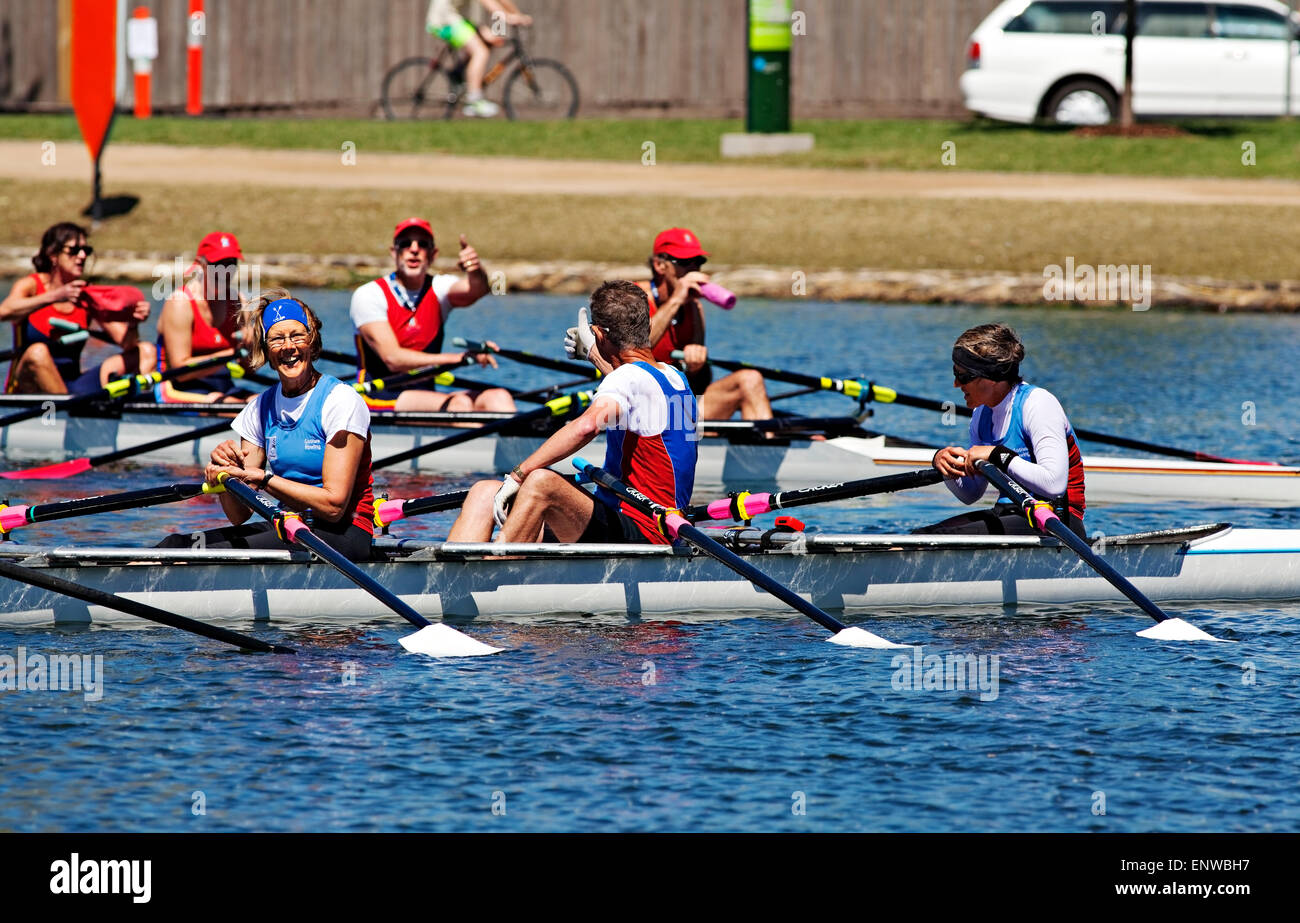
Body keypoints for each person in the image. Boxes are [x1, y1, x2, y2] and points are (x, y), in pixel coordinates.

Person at [447, 280, 697, 544]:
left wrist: (520, 473)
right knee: (484, 493)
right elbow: (634, 390)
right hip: (642, 519)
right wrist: (595, 354)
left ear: (599, 334)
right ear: (646, 326)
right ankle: (450, 575)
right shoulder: (677, 378)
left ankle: (495, 571)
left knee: (542, 482)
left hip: (645, 529)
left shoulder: (627, 380)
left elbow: (586, 427)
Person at [157, 290, 377, 562]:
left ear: (312, 341)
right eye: (277, 339)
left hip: (344, 535)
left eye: (297, 335)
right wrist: (225, 476)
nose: (288, 346)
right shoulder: (258, 410)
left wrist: (265, 479)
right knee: (177, 543)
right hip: (292, 530)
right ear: (266, 351)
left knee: (186, 550)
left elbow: (333, 506)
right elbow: (239, 515)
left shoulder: (340, 400)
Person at [916, 323, 1086, 538]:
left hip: (1059, 522)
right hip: (1010, 514)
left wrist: (995, 455)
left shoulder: (1038, 404)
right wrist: (944, 466)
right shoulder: (981, 414)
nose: (956, 384)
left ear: (992, 377)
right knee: (921, 535)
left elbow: (1054, 485)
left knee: (929, 539)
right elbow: (971, 493)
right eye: (954, 373)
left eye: (964, 376)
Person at [349, 217, 516, 414]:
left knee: (499, 397)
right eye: (405, 243)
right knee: (458, 405)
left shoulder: (438, 288)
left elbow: (476, 290)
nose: (414, 249)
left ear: (433, 254)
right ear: (394, 252)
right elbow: (393, 359)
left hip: (425, 394)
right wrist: (458, 358)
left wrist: (475, 269)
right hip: (378, 395)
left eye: (422, 244)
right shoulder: (369, 294)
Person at [1, 222, 155, 395]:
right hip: (29, 387)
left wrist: (132, 323)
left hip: (72, 386)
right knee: (38, 352)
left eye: (86, 251)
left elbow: (127, 344)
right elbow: (4, 312)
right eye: (74, 250)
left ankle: (142, 412)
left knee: (146, 350)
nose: (82, 256)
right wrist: (55, 296)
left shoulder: (86, 295)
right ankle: (68, 412)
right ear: (53, 255)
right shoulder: (31, 286)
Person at [637, 228, 772, 421]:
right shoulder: (634, 299)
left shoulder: (694, 308)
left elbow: (699, 385)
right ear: (659, 265)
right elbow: (636, 348)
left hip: (677, 407)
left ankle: (765, 446)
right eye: (683, 262)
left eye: (698, 262)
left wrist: (696, 368)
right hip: (640, 408)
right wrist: (676, 300)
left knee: (750, 379)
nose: (692, 269)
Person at [155, 231, 251, 404]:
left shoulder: (238, 302)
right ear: (200, 264)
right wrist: (232, 354)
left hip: (223, 387)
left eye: (231, 263)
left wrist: (250, 347)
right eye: (218, 264)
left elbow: (248, 371)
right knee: (239, 408)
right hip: (177, 388)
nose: (225, 271)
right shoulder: (180, 303)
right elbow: (181, 372)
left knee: (263, 403)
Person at [425, 0, 533, 117]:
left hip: (456, 18)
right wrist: (509, 17)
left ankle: (458, 76)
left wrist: (518, 15)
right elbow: (489, 3)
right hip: (442, 22)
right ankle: (474, 100)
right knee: (480, 52)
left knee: (489, 41)